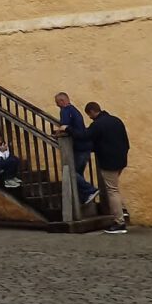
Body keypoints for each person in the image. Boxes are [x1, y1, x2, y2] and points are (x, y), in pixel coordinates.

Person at [85, 102, 130, 234]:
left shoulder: (98, 124)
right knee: (114, 188)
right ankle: (120, 213)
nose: (90, 117)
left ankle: (119, 222)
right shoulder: (116, 121)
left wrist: (68, 130)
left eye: (89, 115)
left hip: (108, 162)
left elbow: (85, 136)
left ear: (92, 112)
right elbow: (126, 142)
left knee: (112, 190)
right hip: (120, 160)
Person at [51, 92, 98, 206]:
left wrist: (57, 133)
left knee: (71, 173)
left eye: (57, 103)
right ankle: (83, 198)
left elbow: (64, 126)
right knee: (78, 173)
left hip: (80, 147)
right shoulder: (74, 110)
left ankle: (90, 190)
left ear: (62, 101)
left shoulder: (66, 111)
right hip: (85, 146)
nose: (57, 105)